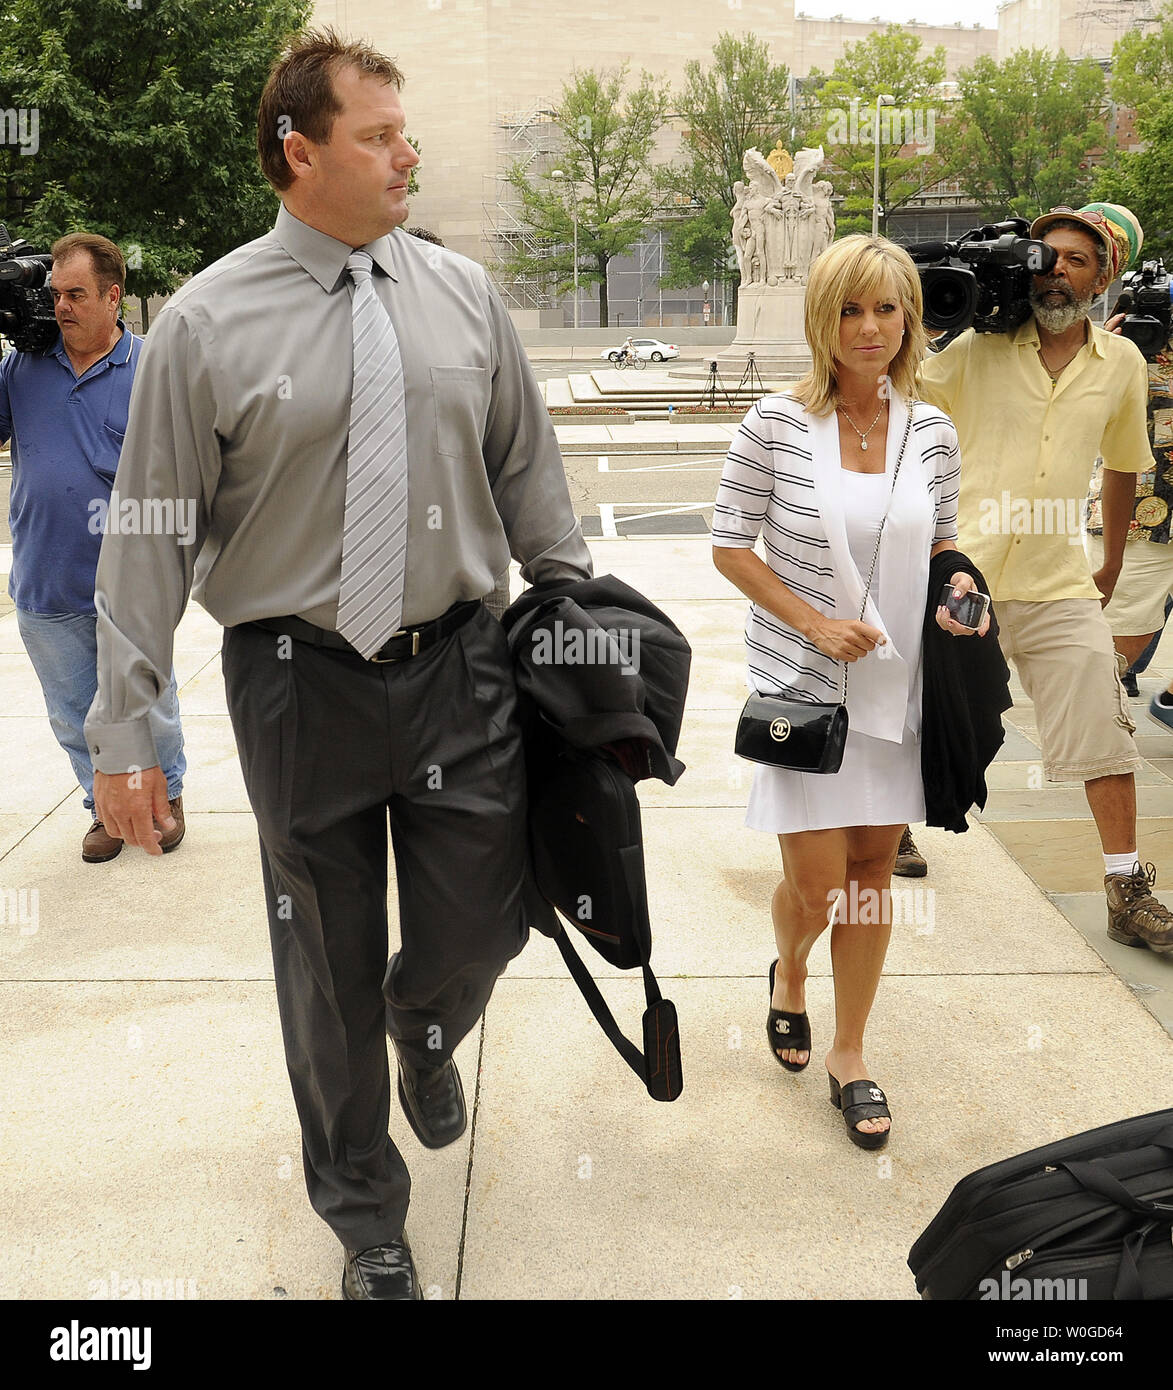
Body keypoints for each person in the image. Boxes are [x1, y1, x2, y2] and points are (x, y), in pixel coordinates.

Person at [83, 28, 592, 1299]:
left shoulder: (463, 295)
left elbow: (528, 470)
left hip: (461, 669)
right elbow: (149, 529)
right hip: (296, 679)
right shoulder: (204, 321)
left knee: (484, 917)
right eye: (379, 136)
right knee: (322, 955)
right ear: (298, 155)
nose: (406, 152)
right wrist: (124, 726)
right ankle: (367, 1211)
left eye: (403, 130)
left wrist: (578, 612)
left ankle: (425, 1025)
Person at [712, 234, 984, 1150]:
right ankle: (788, 972)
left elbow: (942, 541)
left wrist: (957, 588)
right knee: (817, 884)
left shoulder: (931, 429)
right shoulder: (774, 424)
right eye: (848, 310)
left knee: (873, 873)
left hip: (898, 690)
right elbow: (729, 545)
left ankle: (851, 1053)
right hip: (804, 688)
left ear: (908, 317)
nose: (868, 329)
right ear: (820, 320)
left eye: (885, 308)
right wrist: (813, 624)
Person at [918, 202, 1173, 957]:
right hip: (961, 569)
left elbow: (1126, 459)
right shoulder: (975, 349)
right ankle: (892, 823)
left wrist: (1114, 560)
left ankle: (1126, 891)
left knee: (1103, 727)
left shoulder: (1121, 363)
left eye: (1075, 260)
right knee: (926, 712)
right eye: (1044, 255)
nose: (1055, 269)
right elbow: (902, 411)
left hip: (1059, 579)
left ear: (1104, 278)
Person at [0, 233, 186, 862]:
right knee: (73, 710)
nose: (61, 307)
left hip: (129, 584)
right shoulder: (20, 366)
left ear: (113, 296)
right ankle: (101, 807)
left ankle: (167, 798)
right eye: (55, 294)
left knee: (148, 701)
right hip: (45, 578)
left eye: (76, 294)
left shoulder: (150, 368)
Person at [1083, 303, 1173, 730]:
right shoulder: (1118, 341)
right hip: (1143, 511)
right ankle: (1093, 729)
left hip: (1146, 510)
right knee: (1113, 647)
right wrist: (1101, 347)